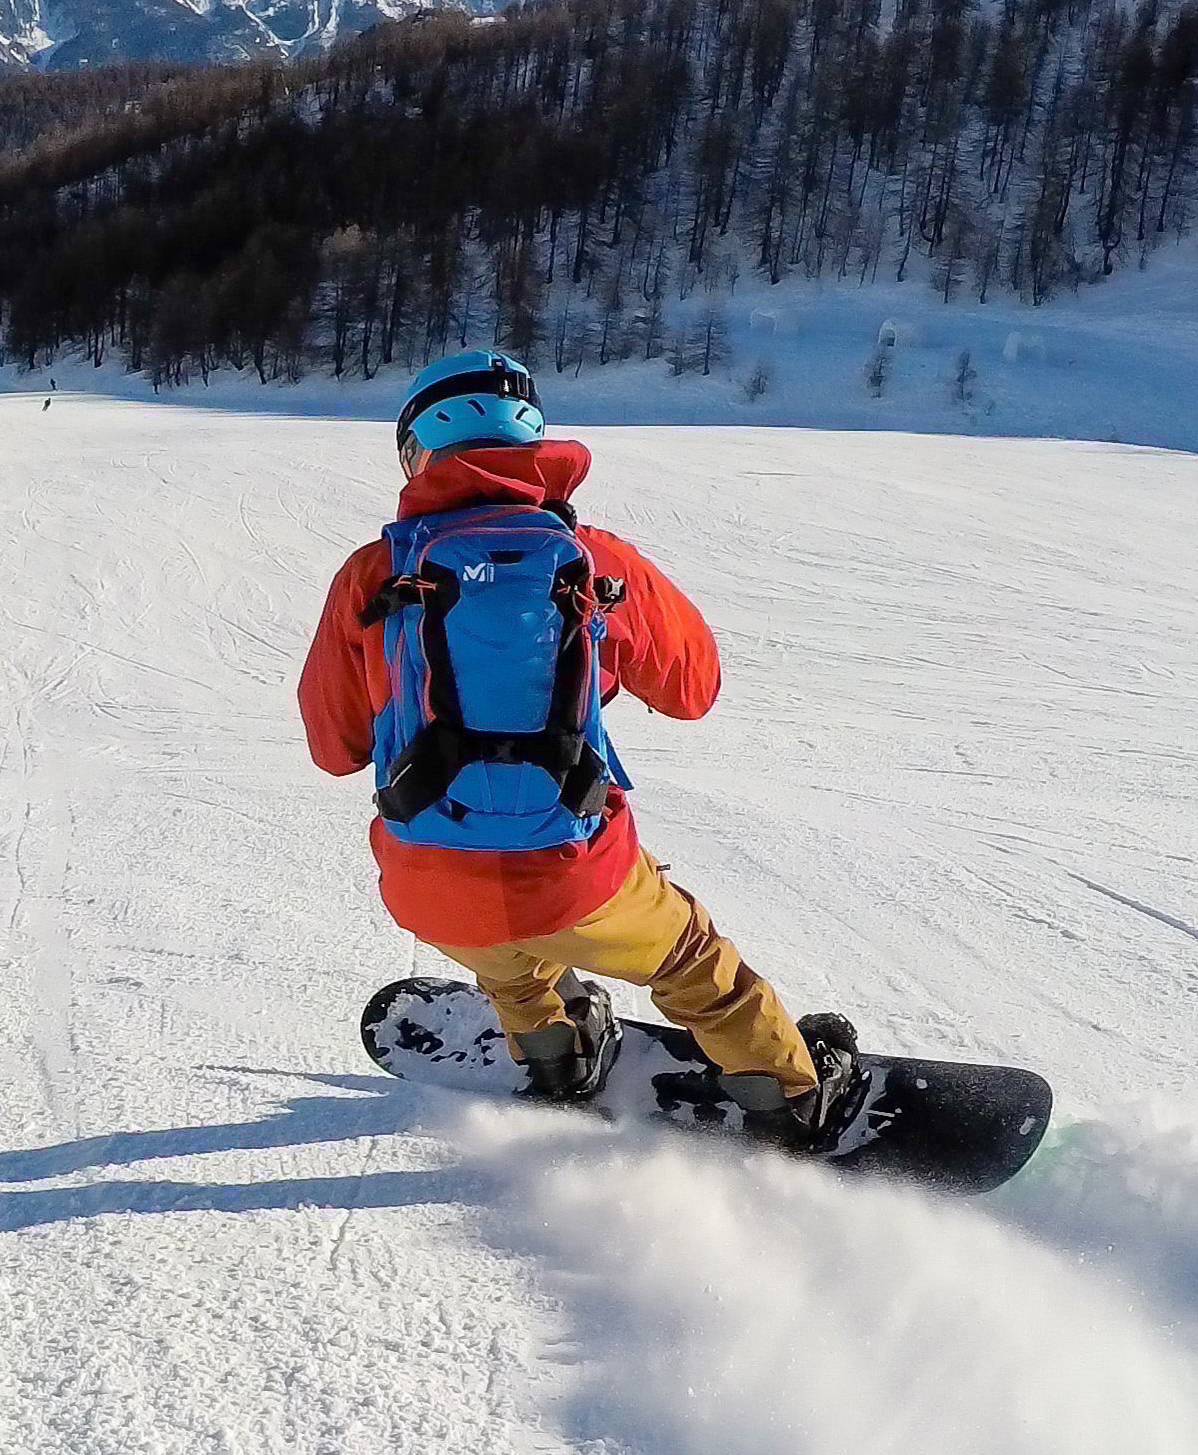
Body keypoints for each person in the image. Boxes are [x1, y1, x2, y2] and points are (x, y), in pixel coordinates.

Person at [297, 351, 857, 1143]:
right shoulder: (597, 561)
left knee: (507, 961)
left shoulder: (371, 573)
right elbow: (691, 692)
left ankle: (557, 1056)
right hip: (574, 877)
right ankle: (790, 1100)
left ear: (415, 450)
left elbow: (333, 746)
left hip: (425, 882)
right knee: (693, 966)